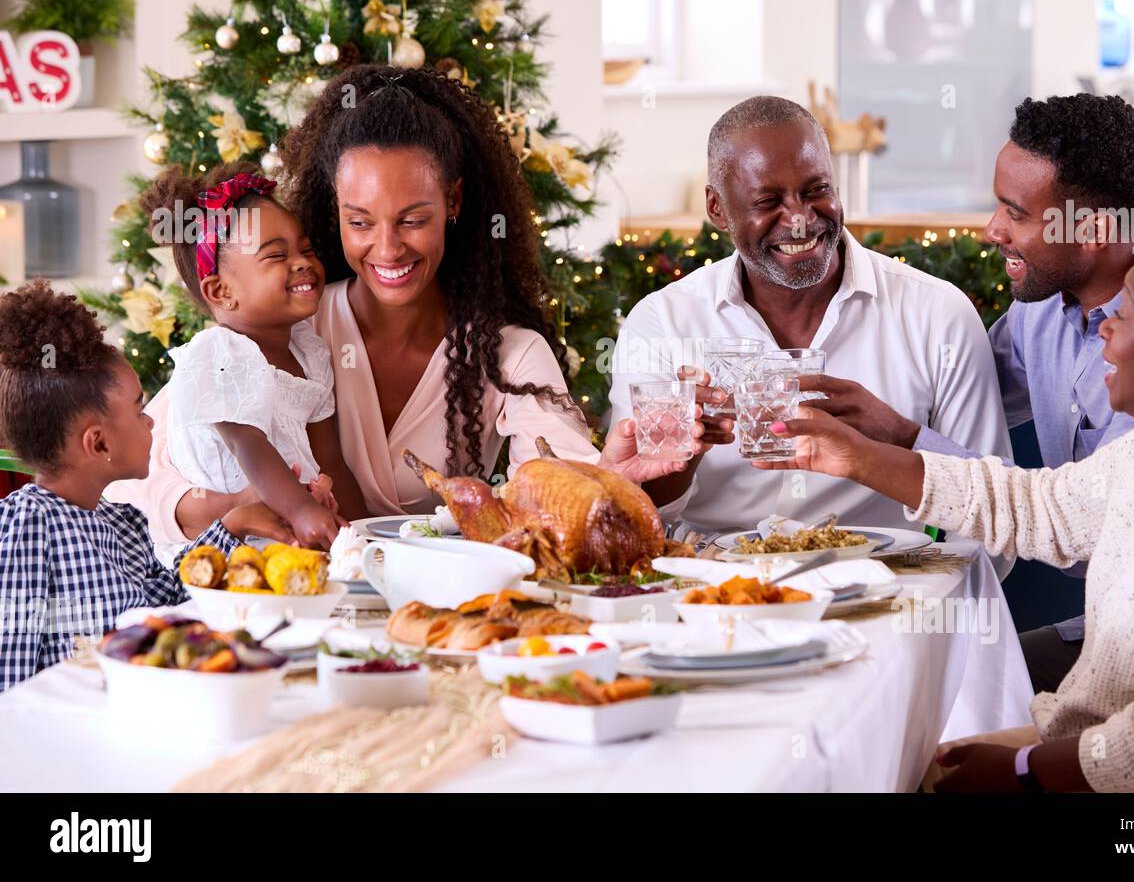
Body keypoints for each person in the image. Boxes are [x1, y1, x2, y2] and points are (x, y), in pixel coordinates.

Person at [756, 198, 1134, 792]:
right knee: (883, 756)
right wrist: (855, 455)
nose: (1106, 328)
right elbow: (1034, 507)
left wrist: (1024, 772)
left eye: (1128, 310)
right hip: (1094, 743)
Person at [792, 94, 1134, 691]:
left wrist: (1026, 768)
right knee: (926, 670)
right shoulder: (1040, 314)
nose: (992, 230)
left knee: (955, 688)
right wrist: (880, 424)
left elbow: (1089, 527)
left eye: (1016, 212)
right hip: (1119, 620)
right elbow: (978, 415)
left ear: (1097, 231)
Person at [110, 66, 714, 544]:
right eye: (360, 222)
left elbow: (558, 491)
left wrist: (612, 471)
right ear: (335, 216)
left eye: (413, 219)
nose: (388, 247)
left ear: (452, 202)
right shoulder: (288, 326)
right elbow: (135, 476)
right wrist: (238, 507)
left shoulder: (507, 354)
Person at [610, 95, 1011, 543]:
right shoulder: (662, 323)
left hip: (897, 592)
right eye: (767, 200)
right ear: (717, 208)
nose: (800, 220)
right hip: (717, 598)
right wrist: (685, 451)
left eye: (816, 190)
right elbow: (632, 520)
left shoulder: (937, 314)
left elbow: (993, 528)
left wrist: (899, 438)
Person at [0, 282, 290, 691]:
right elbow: (10, 669)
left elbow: (165, 603)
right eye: (139, 410)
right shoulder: (28, 524)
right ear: (98, 442)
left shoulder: (121, 522)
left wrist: (232, 526)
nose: (151, 421)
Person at [138, 163, 359, 550]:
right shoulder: (219, 352)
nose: (303, 262)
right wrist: (300, 510)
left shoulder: (309, 351)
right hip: (226, 544)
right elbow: (247, 444)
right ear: (222, 292)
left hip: (295, 527)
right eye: (276, 256)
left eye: (306, 249)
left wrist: (366, 533)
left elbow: (332, 461)